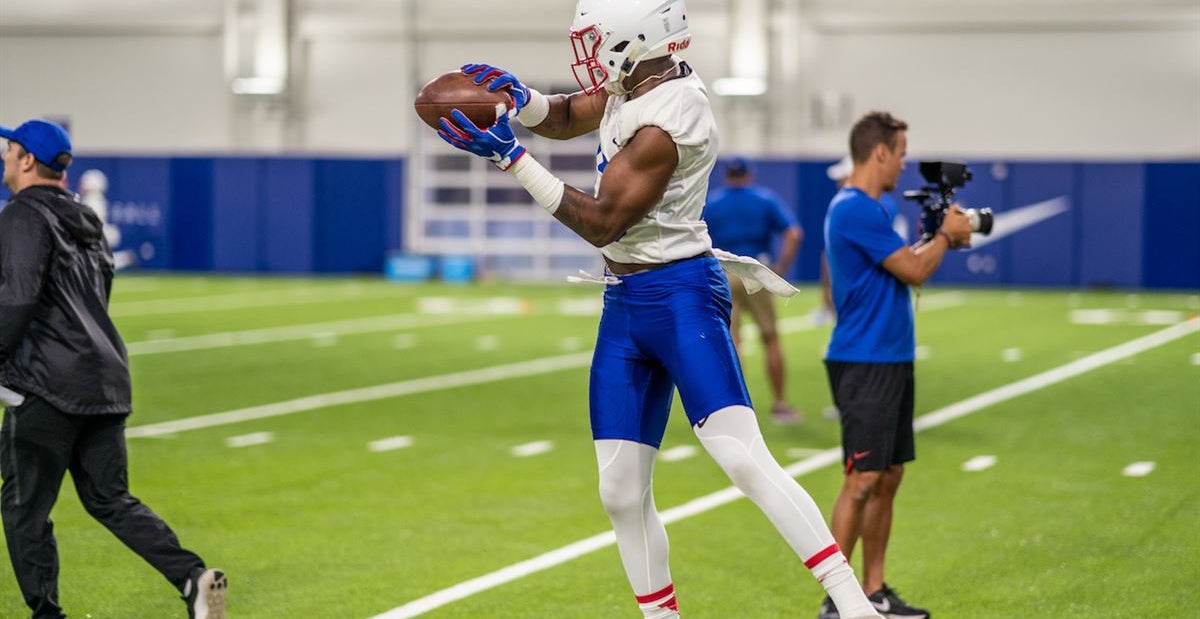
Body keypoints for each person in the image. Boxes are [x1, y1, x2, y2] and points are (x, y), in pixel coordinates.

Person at [432, 2, 883, 618]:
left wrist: (512, 157)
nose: (589, 52)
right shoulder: (638, 79)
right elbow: (567, 115)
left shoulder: (672, 116)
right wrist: (521, 100)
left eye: (596, 40)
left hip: (680, 295)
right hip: (625, 301)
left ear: (633, 39)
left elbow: (602, 222)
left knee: (742, 458)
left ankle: (854, 605)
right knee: (619, 491)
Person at [0, 119, 227, 619]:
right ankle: (191, 577)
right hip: (103, 378)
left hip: (44, 383)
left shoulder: (21, 215)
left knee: (23, 508)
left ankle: (47, 614)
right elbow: (97, 296)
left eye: (10, 149)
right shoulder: (88, 221)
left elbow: (17, 298)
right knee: (109, 498)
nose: (4, 157)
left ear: (28, 160)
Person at [817, 111, 972, 619]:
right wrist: (945, 236)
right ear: (879, 151)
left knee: (888, 477)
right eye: (900, 153)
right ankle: (837, 600)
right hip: (864, 361)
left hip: (889, 358)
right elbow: (914, 270)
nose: (904, 164)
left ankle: (875, 590)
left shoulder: (871, 209)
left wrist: (939, 236)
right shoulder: (854, 208)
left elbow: (903, 264)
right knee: (861, 479)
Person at [703, 156, 804, 423]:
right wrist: (781, 267)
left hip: (725, 273)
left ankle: (734, 408)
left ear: (727, 176)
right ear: (749, 174)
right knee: (770, 339)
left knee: (732, 341)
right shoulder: (764, 199)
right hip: (756, 271)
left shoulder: (713, 202)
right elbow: (794, 233)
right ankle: (780, 404)